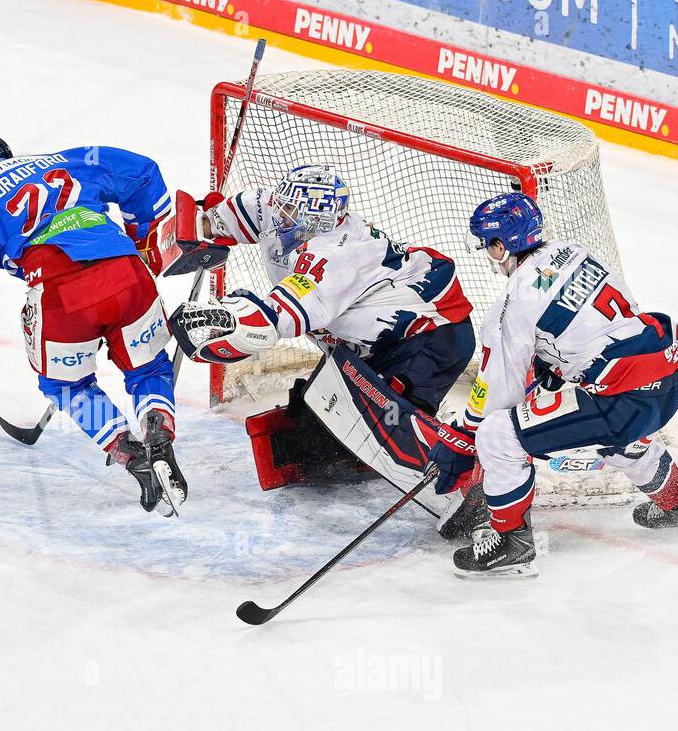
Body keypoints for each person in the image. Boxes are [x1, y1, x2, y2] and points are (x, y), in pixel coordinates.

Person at [428, 192, 678, 577]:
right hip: (669, 374)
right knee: (606, 431)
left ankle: (511, 542)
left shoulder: (512, 305)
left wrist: (462, 435)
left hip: (623, 398)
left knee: (497, 434)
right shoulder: (571, 251)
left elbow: (497, 397)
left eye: (489, 246)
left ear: (502, 245)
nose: (489, 256)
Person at [171, 165, 476, 491]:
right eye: (282, 203)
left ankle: (469, 475)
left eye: (288, 209)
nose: (278, 213)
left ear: (314, 220)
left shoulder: (334, 256)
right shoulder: (282, 213)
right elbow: (242, 210)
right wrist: (203, 224)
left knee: (388, 425)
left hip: (429, 336)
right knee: (321, 431)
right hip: (373, 340)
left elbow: (279, 318)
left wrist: (228, 320)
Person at [0, 136, 186, 515]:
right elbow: (142, 173)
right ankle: (159, 434)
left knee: (68, 384)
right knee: (148, 367)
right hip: (127, 272)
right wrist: (144, 238)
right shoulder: (65, 160)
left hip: (60, 292)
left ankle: (132, 456)